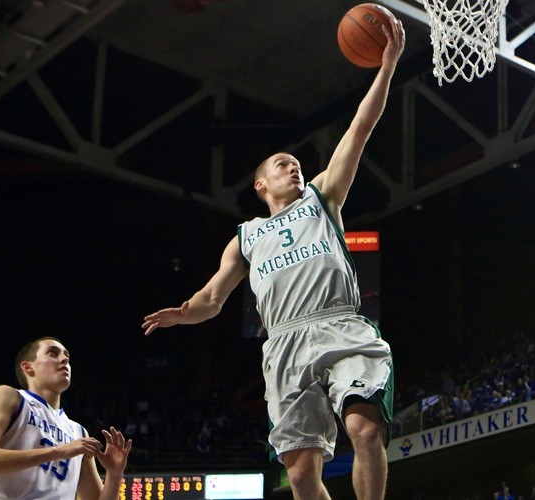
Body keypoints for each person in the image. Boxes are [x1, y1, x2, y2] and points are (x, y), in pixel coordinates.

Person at [141, 8, 405, 499]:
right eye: (284, 164)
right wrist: (185, 313)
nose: (294, 168)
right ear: (261, 184)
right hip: (283, 344)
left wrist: (387, 66)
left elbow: (360, 129)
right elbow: (213, 297)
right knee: (302, 475)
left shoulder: (322, 197)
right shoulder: (246, 235)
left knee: (365, 432)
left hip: (339, 324)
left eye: (298, 163)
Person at [0, 336, 132, 499]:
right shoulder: (9, 397)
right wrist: (59, 451)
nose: (64, 359)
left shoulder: (78, 432)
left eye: (67, 356)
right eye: (53, 353)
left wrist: (114, 474)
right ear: (28, 367)